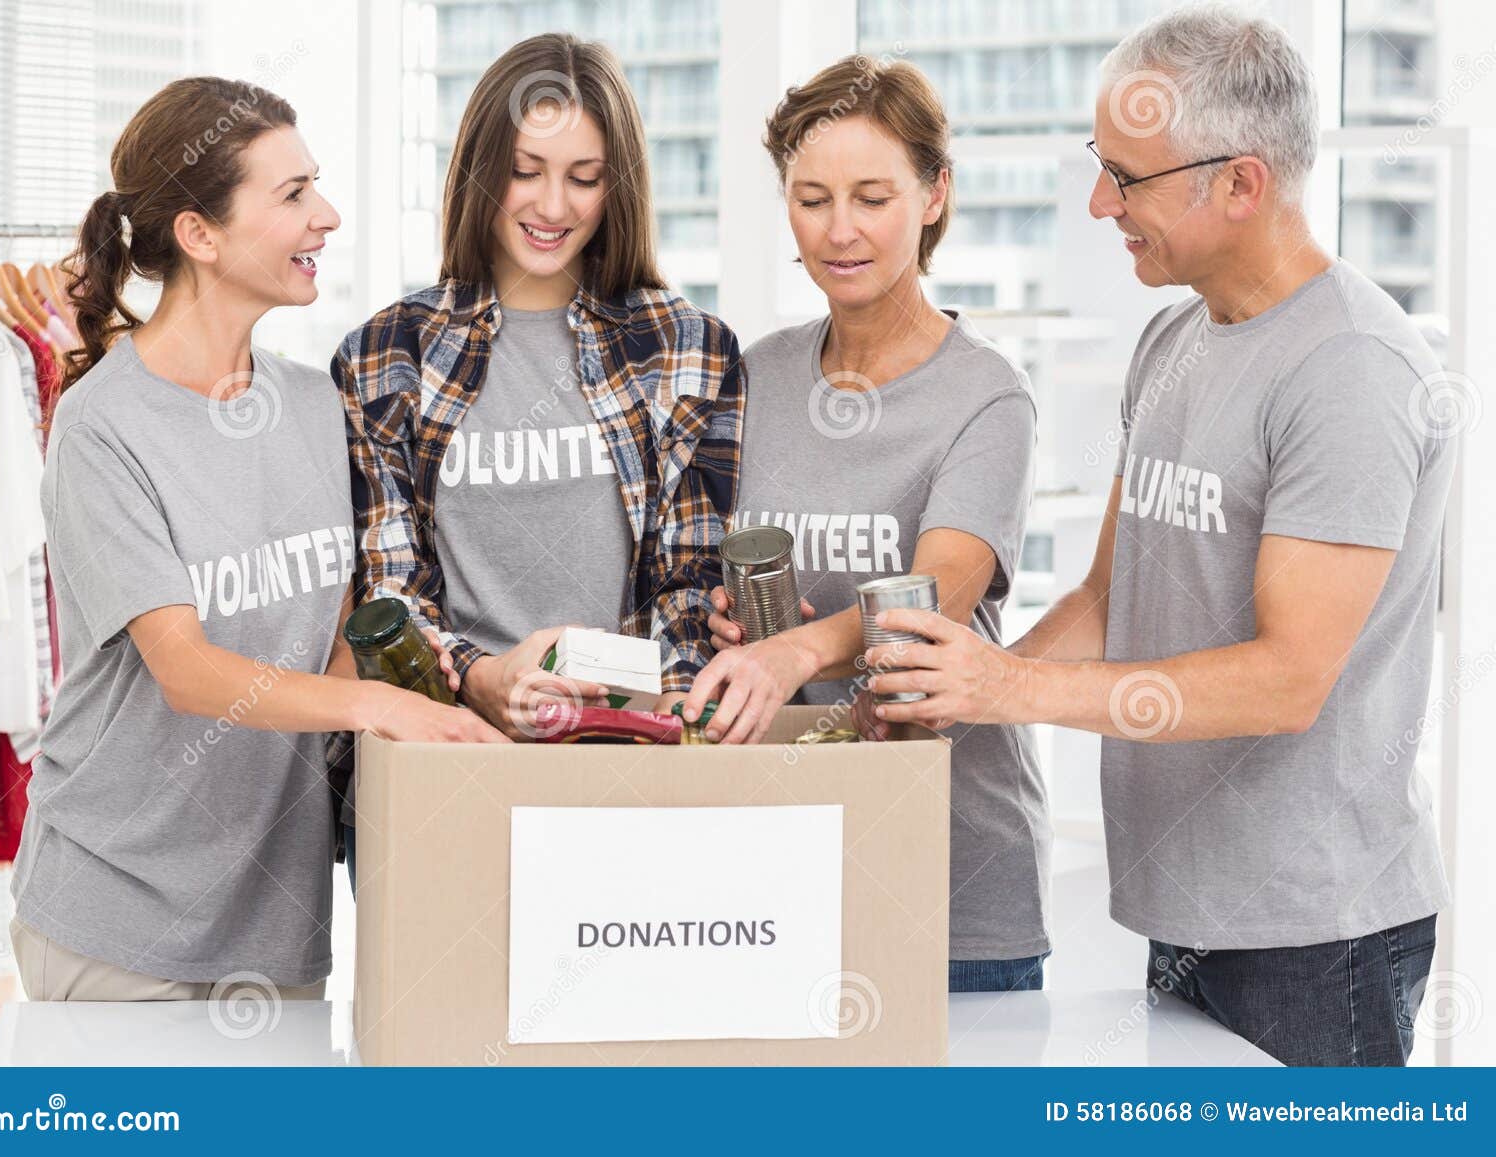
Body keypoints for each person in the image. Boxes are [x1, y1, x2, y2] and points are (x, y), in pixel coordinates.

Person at [867, 5, 1453, 1065]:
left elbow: (1287, 679)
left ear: (1239, 183)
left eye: (1126, 178)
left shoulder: (1352, 370)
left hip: (1318, 937)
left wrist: (1009, 692)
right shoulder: (1174, 336)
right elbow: (1108, 595)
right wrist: (957, 693)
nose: (1099, 203)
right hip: (1182, 907)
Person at [9, 77, 504, 1004]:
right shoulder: (103, 427)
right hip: (118, 920)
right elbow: (187, 671)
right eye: (292, 195)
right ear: (199, 234)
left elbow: (332, 637)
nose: (327, 215)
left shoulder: (315, 405)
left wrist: (448, 675)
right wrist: (382, 712)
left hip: (273, 926)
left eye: (315, 184)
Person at [333, 33, 744, 882]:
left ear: (615, 186)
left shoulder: (690, 351)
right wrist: (484, 681)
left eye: (584, 177)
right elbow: (388, 591)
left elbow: (689, 583)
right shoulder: (386, 355)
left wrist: (621, 705)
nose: (553, 205)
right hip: (448, 767)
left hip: (633, 773)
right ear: (483, 168)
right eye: (526, 169)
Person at [683, 56, 1050, 992]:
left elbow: (929, 609)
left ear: (934, 196)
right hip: (767, 861)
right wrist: (730, 627)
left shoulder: (986, 398)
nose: (839, 230)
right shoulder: (750, 376)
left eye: (872, 196)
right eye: (811, 199)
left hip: (952, 872)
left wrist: (798, 650)